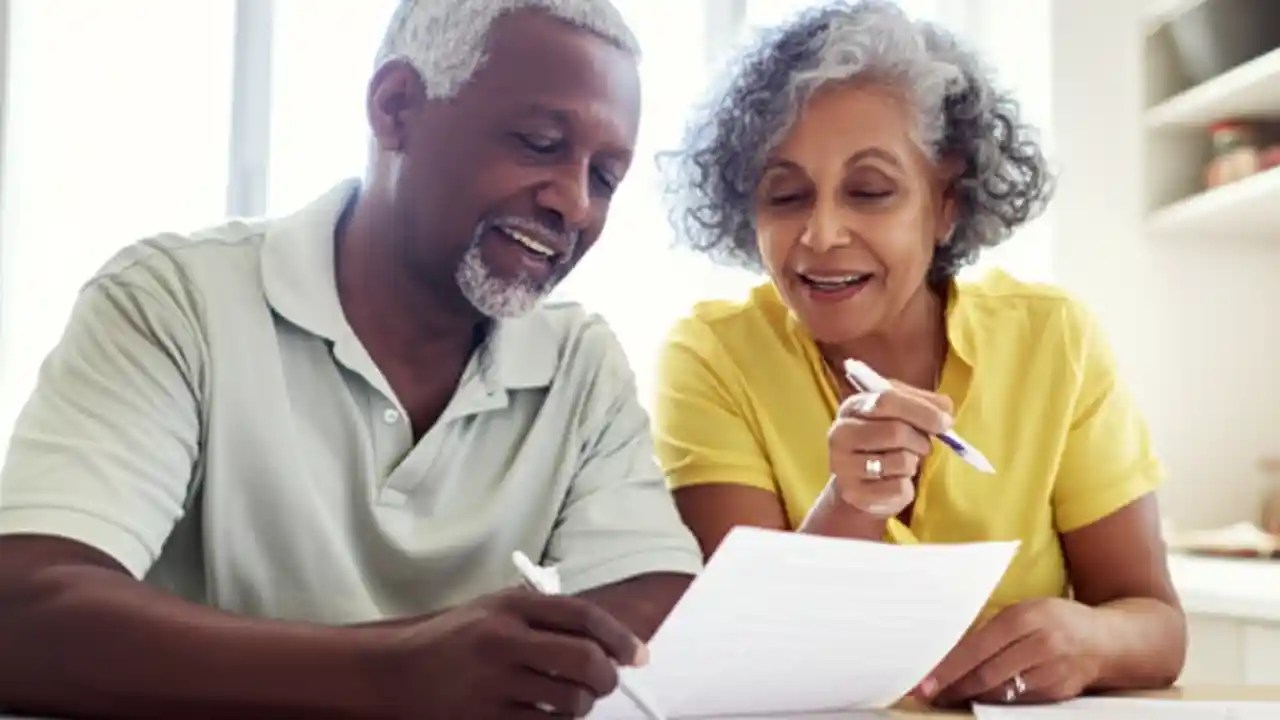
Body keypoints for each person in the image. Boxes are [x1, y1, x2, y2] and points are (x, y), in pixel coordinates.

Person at [0, 1, 703, 717]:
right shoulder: (176, 301)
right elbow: (23, 616)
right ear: (396, 108)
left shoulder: (581, 364)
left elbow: (659, 608)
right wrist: (399, 674)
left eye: (607, 178)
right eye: (539, 142)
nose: (575, 205)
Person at [652, 0, 1185, 708]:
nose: (821, 233)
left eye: (871, 192)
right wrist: (851, 502)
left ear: (946, 204)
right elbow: (744, 655)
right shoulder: (711, 357)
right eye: (785, 196)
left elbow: (1157, 627)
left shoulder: (1055, 341)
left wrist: (1089, 641)